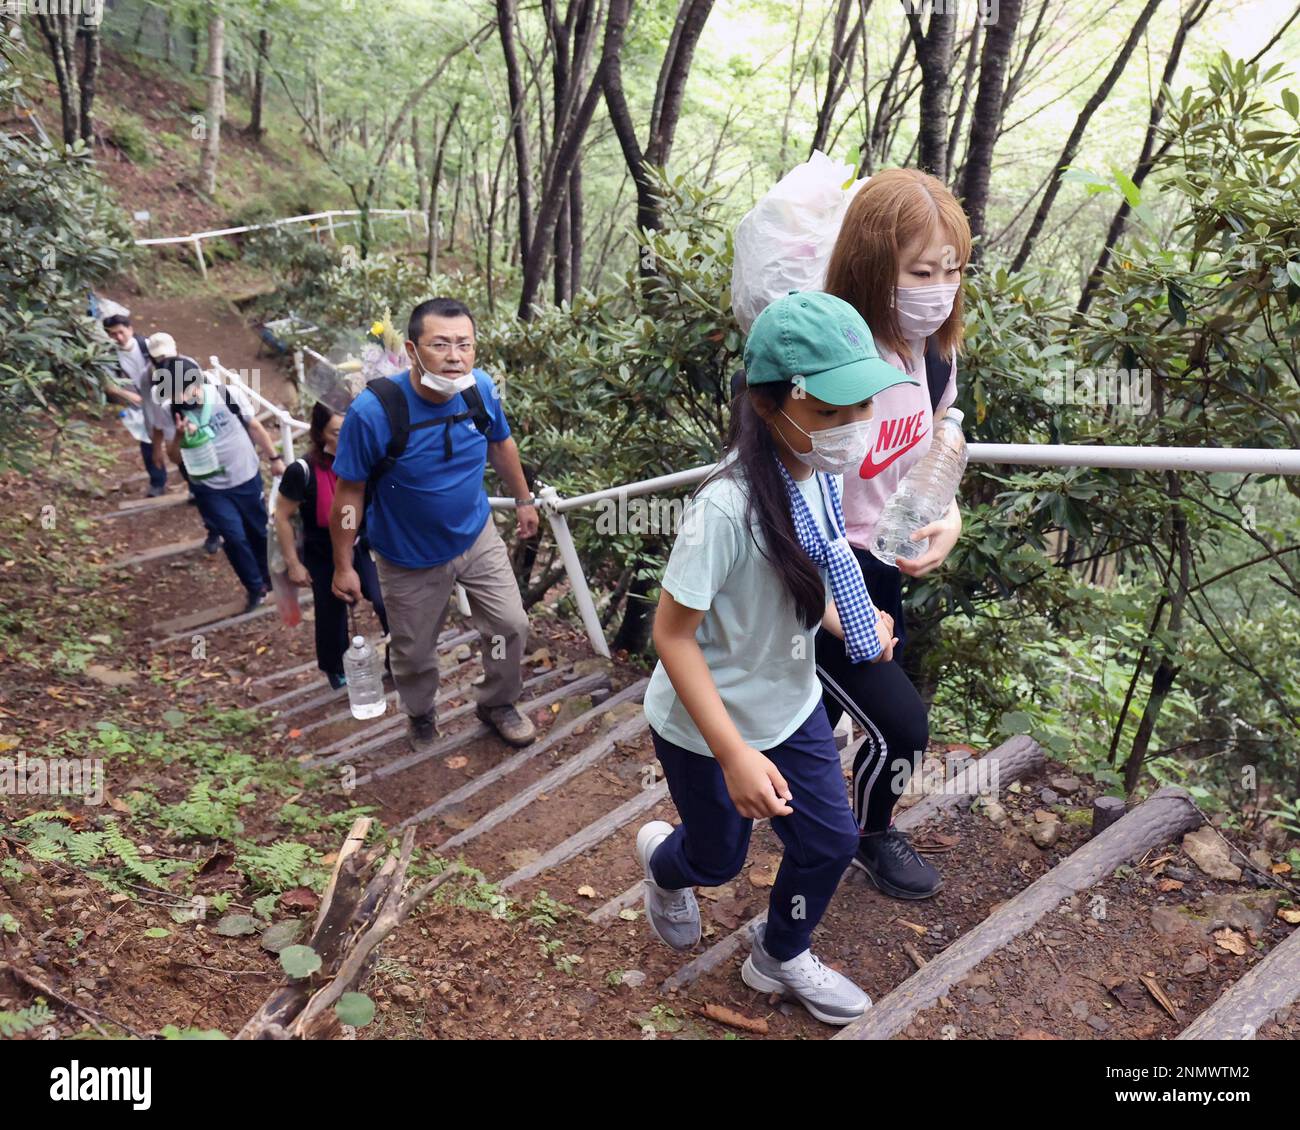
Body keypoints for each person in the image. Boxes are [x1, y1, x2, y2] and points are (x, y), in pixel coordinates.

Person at [637, 291, 915, 1026]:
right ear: (769, 406)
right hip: (705, 728)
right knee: (718, 859)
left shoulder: (818, 475)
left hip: (789, 708)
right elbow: (671, 636)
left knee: (826, 842)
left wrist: (851, 620)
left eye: (860, 409)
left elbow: (804, 579)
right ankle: (665, 868)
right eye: (829, 413)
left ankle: (780, 953)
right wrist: (732, 754)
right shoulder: (724, 510)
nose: (852, 430)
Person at [814, 167, 972, 900]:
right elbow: (768, 493)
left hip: (885, 566)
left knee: (845, 722)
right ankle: (840, 838)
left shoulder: (931, 353)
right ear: (873, 265)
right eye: (920, 270)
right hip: (813, 570)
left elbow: (942, 435)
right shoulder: (826, 359)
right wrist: (823, 601)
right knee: (901, 726)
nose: (939, 287)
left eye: (953, 269)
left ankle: (862, 832)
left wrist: (950, 517)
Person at [330, 297, 540, 753]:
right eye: (440, 344)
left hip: (475, 534)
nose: (454, 355)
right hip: (406, 555)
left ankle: (497, 702)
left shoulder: (479, 389)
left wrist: (523, 499)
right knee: (414, 651)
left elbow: (501, 443)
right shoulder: (374, 413)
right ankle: (421, 712)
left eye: (464, 344)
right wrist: (343, 564)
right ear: (411, 349)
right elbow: (349, 491)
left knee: (509, 625)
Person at [275, 401, 389, 689]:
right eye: (337, 432)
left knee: (384, 598)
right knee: (330, 610)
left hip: (362, 543)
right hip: (322, 548)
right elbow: (282, 516)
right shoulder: (302, 471)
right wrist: (293, 563)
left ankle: (397, 656)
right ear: (321, 434)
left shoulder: (368, 461)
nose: (346, 438)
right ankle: (335, 665)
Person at [163, 357, 285, 613]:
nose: (185, 395)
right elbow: (173, 457)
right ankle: (255, 588)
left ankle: (269, 577)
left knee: (259, 531)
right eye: (177, 391)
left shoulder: (225, 393)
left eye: (188, 388)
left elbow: (253, 425)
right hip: (208, 485)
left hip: (245, 474)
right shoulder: (171, 411)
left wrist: (274, 458)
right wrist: (179, 436)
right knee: (233, 537)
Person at [145, 332, 223, 555]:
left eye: (166, 357)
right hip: (181, 443)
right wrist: (157, 447)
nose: (164, 362)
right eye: (158, 359)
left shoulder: (191, 368)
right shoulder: (154, 384)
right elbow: (159, 422)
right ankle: (214, 530)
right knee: (200, 488)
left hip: (205, 436)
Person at [101, 311, 168, 497]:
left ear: (130, 329)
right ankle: (158, 482)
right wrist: (129, 395)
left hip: (162, 398)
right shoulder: (109, 356)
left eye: (121, 332)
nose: (118, 337)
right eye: (113, 334)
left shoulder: (147, 345)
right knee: (148, 442)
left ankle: (193, 482)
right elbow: (108, 385)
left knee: (175, 436)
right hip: (138, 404)